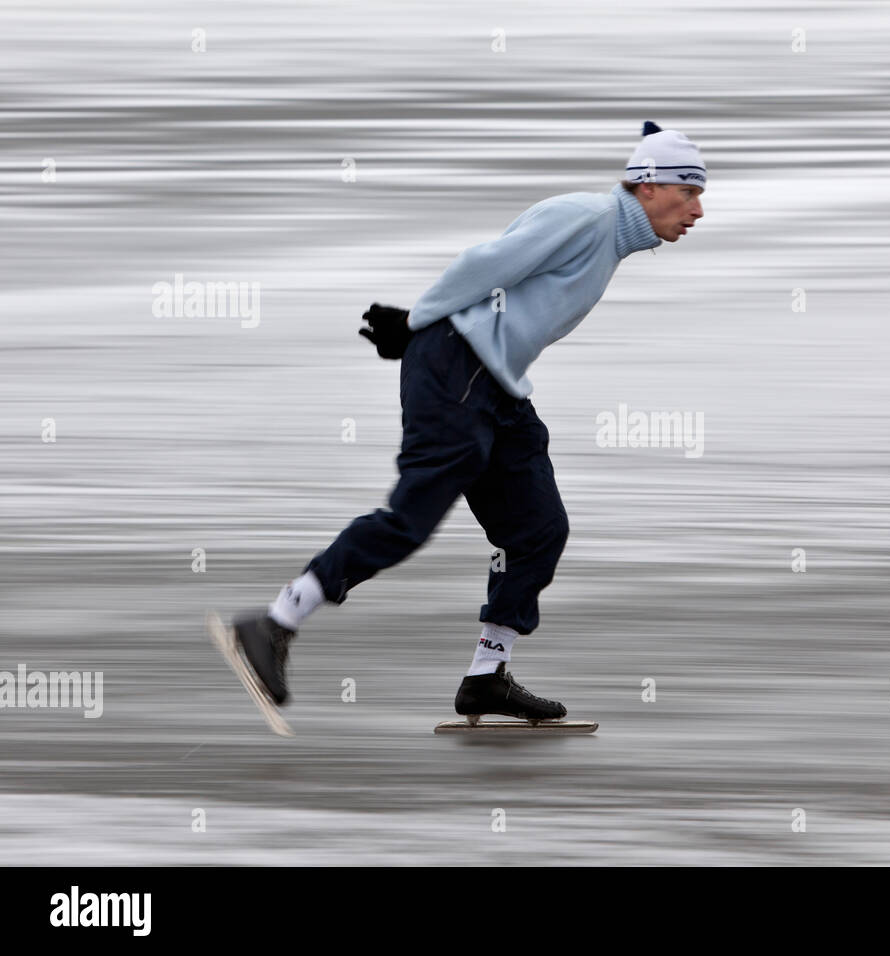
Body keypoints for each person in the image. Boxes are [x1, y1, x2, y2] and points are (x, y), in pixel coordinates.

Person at [220, 121, 706, 722]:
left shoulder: (611, 239)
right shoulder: (588, 217)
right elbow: (488, 262)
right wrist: (421, 323)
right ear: (649, 186)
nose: (698, 210)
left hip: (495, 387)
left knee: (538, 529)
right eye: (689, 194)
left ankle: (486, 676)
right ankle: (273, 623)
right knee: (411, 518)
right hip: (457, 367)